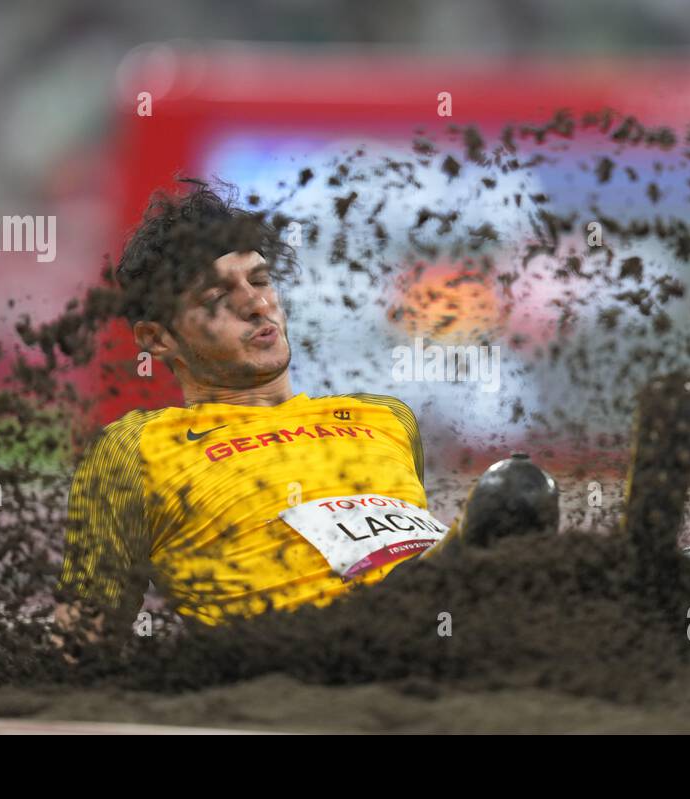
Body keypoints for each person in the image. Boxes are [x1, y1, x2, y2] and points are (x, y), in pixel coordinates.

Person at [57, 181, 557, 632]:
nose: (256, 304)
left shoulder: (385, 418)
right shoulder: (137, 449)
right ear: (158, 338)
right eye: (217, 295)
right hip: (295, 656)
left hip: (431, 618)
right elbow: (86, 631)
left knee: (521, 492)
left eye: (259, 279)